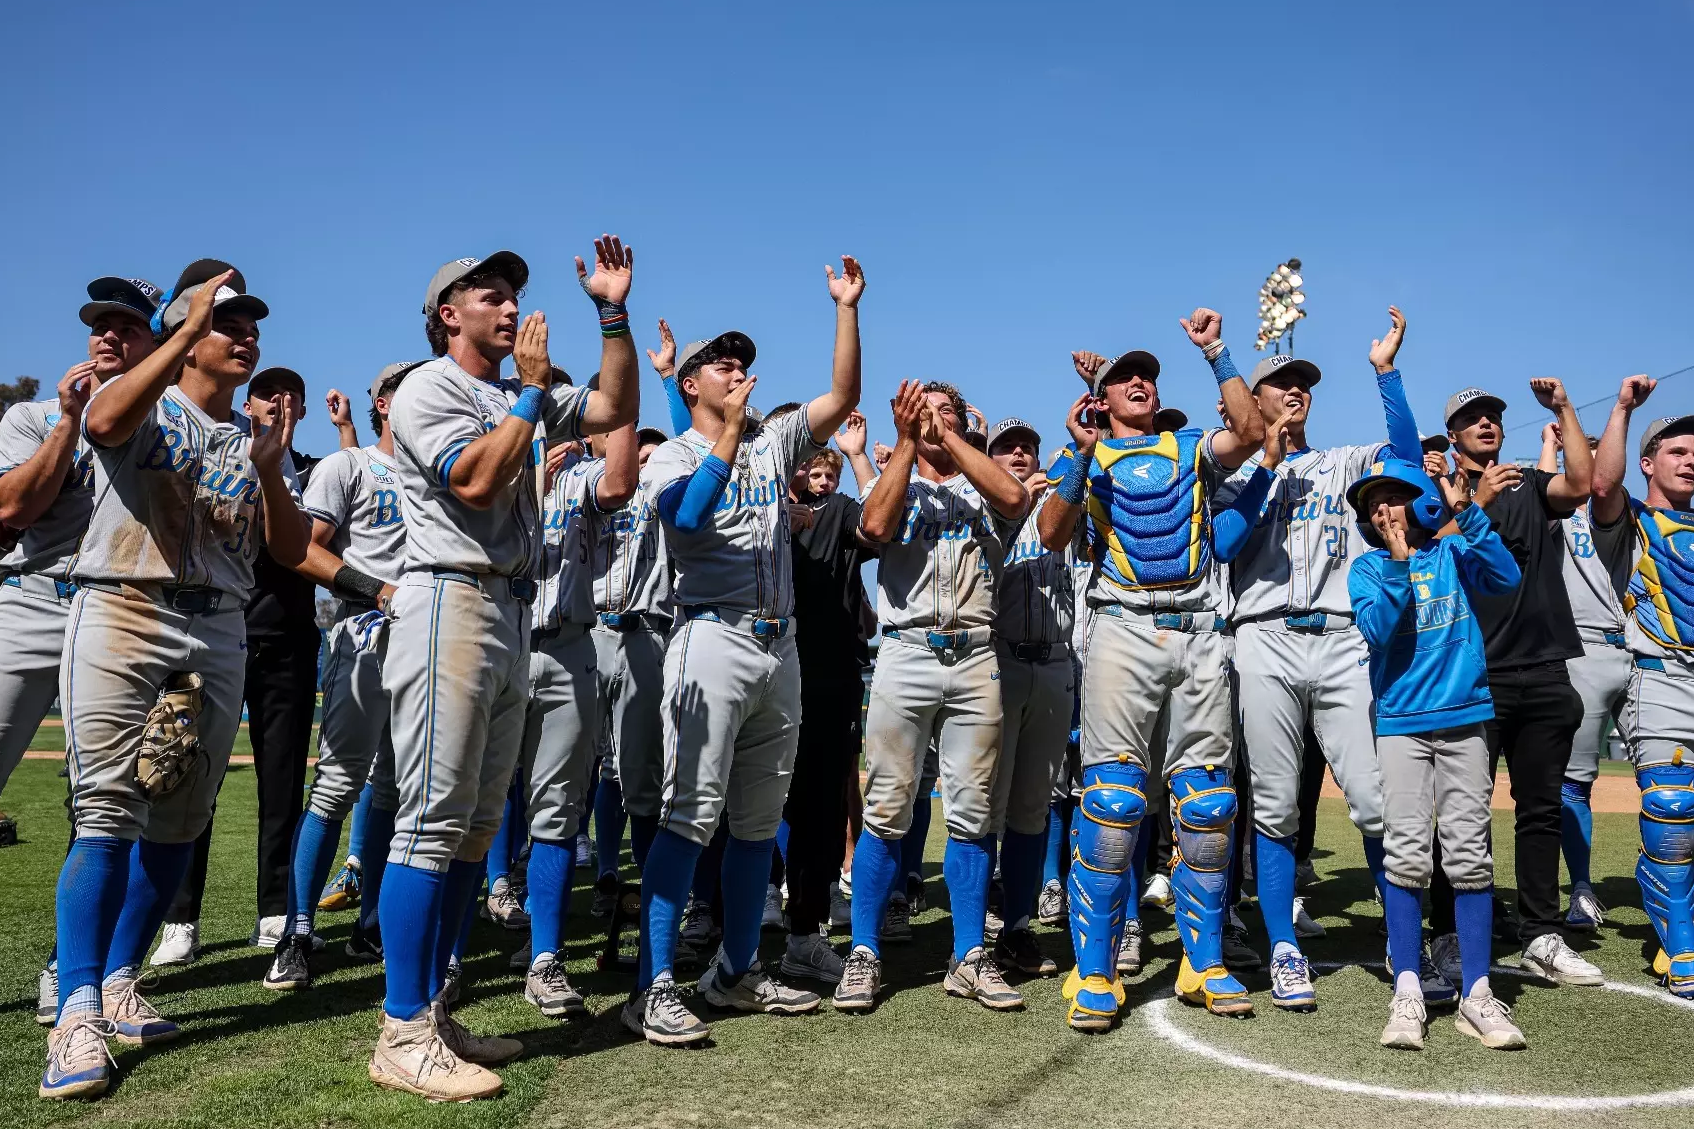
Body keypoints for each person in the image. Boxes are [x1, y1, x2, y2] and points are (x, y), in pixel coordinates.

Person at [371, 240, 638, 1100]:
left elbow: (616, 405)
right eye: (489, 294)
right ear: (448, 314)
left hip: (510, 608)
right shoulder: (431, 386)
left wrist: (613, 315)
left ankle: (435, 1012)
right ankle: (401, 1028)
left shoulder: (512, 391)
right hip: (448, 598)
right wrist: (528, 392)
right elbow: (478, 483)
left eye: (513, 292)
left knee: (474, 829)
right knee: (430, 821)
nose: (511, 305)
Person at [41, 262, 308, 1100]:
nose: (246, 336)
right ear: (186, 333)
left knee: (181, 819)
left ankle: (121, 979)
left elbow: (289, 547)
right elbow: (103, 420)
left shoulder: (248, 435)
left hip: (217, 624)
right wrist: (183, 327)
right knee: (107, 812)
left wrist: (270, 465)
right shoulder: (146, 398)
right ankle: (75, 1008)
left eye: (251, 325)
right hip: (127, 607)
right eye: (228, 323)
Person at [627, 255, 864, 1046]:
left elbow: (842, 397)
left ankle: (733, 971)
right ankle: (652, 985)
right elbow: (688, 519)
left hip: (778, 643)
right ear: (691, 383)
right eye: (721, 363)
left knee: (759, 824)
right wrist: (727, 433)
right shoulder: (676, 453)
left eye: (742, 362)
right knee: (689, 817)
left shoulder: (772, 444)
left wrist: (846, 308)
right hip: (710, 636)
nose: (737, 369)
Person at [1037, 308, 1265, 1031]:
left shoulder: (1191, 446)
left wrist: (1217, 352)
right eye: (1124, 377)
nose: (1139, 382)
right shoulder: (1084, 455)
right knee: (1111, 803)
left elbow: (1251, 431)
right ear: (1101, 397)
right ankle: (1094, 970)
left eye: (1147, 375)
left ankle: (1203, 962)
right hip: (1123, 628)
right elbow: (1049, 532)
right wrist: (1082, 454)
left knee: (1208, 806)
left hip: (1198, 630)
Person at [1211, 307, 1424, 1011]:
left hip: (1340, 639)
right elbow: (1226, 543)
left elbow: (1408, 460)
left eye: (1303, 382)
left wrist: (1386, 373)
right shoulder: (1235, 475)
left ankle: (1403, 942)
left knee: (1375, 800)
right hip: (1264, 637)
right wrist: (1268, 464)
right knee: (1274, 806)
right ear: (1251, 401)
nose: (1296, 390)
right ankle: (1283, 947)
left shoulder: (1342, 463)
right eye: (1281, 382)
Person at [836, 379, 1031, 1014]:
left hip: (975, 653)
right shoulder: (895, 477)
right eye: (925, 410)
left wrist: (945, 433)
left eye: (946, 410)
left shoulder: (981, 482)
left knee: (972, 810)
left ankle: (968, 955)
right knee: (887, 806)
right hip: (907, 650)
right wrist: (903, 441)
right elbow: (874, 525)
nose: (934, 419)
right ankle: (864, 952)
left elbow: (1014, 498)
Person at [1, 276, 161, 1026]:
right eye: (101, 323)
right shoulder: (33, 415)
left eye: (128, 326)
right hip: (32, 600)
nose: (108, 335)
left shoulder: (165, 424)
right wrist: (69, 420)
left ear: (156, 342)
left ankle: (71, 970)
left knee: (104, 800)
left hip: (120, 611)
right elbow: (14, 507)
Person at [1427, 379, 1604, 988]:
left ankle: (1541, 935)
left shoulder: (1530, 483)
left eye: (1493, 417)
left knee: (1541, 812)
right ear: (1453, 436)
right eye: (1473, 418)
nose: (1487, 424)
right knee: (1461, 815)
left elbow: (1581, 484)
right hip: (1473, 675)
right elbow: (1426, 559)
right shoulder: (1436, 489)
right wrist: (1471, 502)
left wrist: (1563, 408)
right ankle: (1450, 932)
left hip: (1546, 669)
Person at [160, 364, 341, 960]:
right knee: (192, 777)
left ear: (303, 410)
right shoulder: (220, 461)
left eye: (292, 395)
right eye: (266, 393)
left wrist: (339, 434)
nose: (278, 402)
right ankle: (181, 918)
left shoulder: (315, 474)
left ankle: (274, 910)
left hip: (288, 640)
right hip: (217, 636)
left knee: (282, 783)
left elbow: (311, 540)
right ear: (248, 404)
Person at [1348, 455, 1526, 1051]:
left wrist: (1467, 512)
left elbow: (1505, 578)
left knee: (1469, 855)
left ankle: (1477, 992)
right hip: (1401, 724)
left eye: (1394, 498)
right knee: (1405, 853)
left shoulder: (1452, 551)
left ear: (1419, 504)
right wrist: (1399, 564)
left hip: (1465, 718)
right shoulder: (1367, 569)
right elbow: (1377, 631)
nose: (1384, 510)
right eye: (1373, 504)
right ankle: (1407, 987)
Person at [262, 361, 426, 990]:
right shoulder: (347, 466)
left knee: (393, 790)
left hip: (425, 640)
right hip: (364, 633)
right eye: (408, 389)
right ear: (383, 403)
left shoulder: (436, 471)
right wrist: (375, 588)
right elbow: (302, 549)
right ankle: (297, 931)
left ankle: (372, 922)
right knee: (336, 787)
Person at [518, 402, 639, 1019]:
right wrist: (531, 475)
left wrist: (624, 400)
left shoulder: (582, 476)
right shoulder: (493, 461)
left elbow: (618, 484)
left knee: (558, 810)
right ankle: (448, 959)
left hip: (569, 646)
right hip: (501, 640)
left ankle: (545, 958)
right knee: (471, 806)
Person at [1587, 376, 1694, 998]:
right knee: (1673, 811)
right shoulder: (1629, 521)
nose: (1690, 460)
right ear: (1649, 463)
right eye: (1677, 451)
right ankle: (1681, 943)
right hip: (1661, 679)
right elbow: (1602, 486)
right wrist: (1624, 409)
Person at [983, 416, 1077, 979]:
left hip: (1056, 661)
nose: (1019, 455)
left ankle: (1017, 925)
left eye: (1027, 448)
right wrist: (1020, 507)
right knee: (985, 804)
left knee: (1033, 805)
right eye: (1007, 448)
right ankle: (976, 924)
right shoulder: (985, 508)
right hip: (1001, 660)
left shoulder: (1059, 502)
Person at [781, 438, 876, 984]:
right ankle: (726, 921)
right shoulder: (745, 503)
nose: (807, 471)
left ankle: (806, 929)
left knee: (821, 803)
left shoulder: (838, 510)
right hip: (751, 662)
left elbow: (879, 526)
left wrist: (860, 456)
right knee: (738, 803)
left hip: (824, 672)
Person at [1535, 423, 1625, 931]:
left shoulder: (1630, 514)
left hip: (1644, 647)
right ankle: (1583, 889)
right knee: (1575, 782)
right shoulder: (1558, 515)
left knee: (1672, 780)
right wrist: (1551, 444)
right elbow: (1543, 493)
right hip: (1584, 649)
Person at [588, 422, 672, 912]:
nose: (648, 465)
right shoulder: (595, 492)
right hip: (590, 630)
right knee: (590, 769)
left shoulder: (664, 501)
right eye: (641, 457)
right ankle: (603, 873)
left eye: (656, 458)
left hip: (645, 633)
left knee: (639, 774)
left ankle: (649, 892)